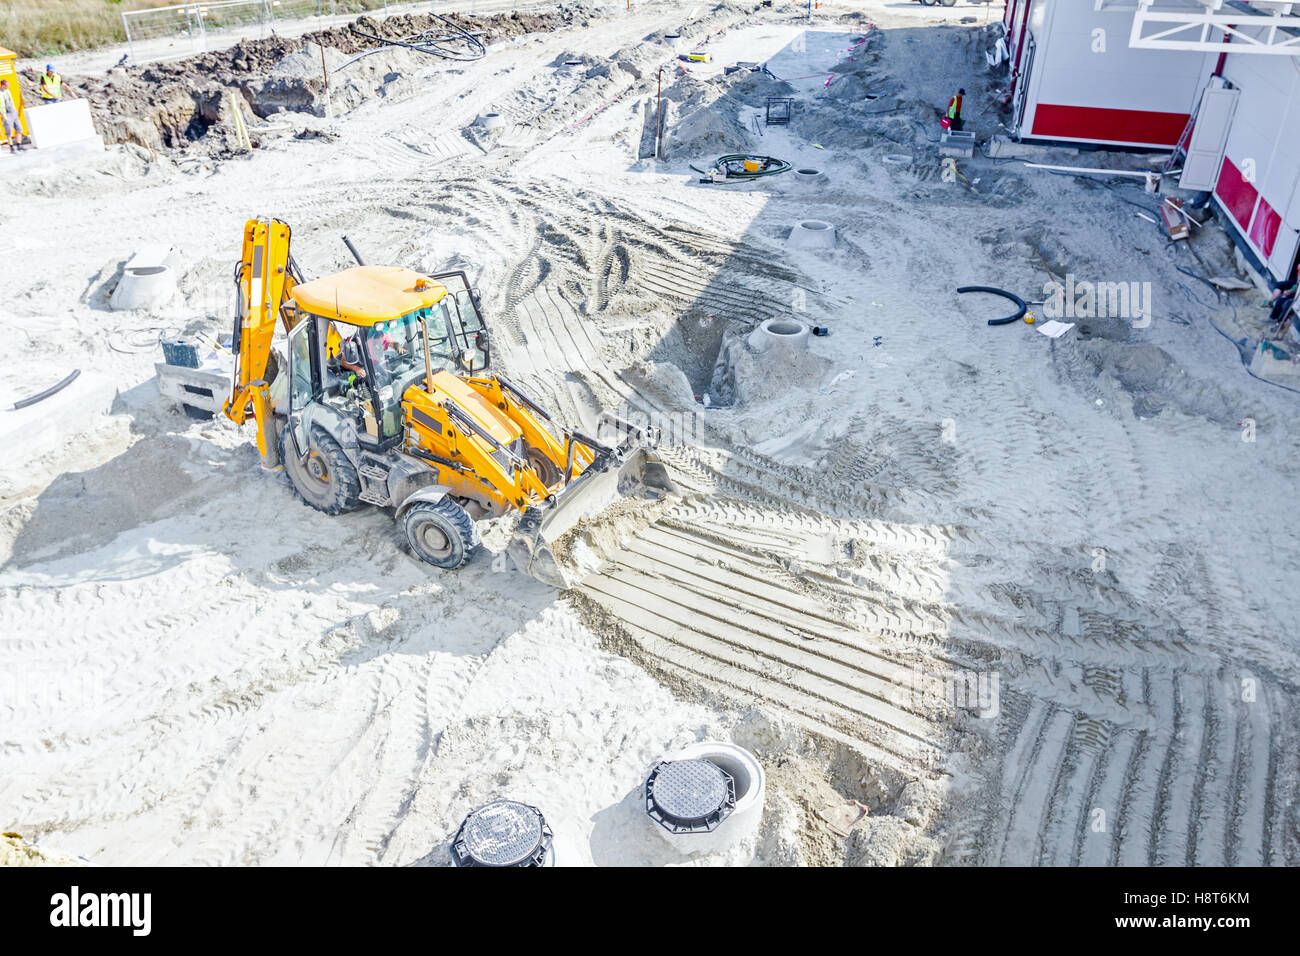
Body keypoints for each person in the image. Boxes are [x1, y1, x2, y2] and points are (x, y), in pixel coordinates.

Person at [0, 80, 24, 152]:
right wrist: (3, 115)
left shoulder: (8, 91)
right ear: (3, 85)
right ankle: (11, 147)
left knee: (19, 129)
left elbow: (11, 101)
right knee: (9, 131)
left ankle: (19, 145)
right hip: (6, 114)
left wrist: (15, 109)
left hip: (13, 112)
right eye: (7, 85)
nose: (8, 86)